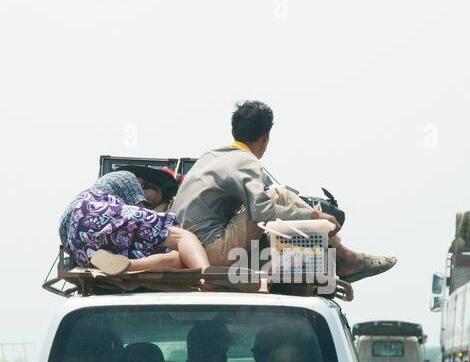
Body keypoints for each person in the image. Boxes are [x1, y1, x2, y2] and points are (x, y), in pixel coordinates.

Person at [169, 101, 396, 281]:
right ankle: (346, 258)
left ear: (234, 130)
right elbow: (262, 211)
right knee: (278, 195)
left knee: (274, 204)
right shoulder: (246, 161)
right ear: (265, 137)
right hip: (209, 253)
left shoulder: (210, 156)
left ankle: (343, 258)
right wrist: (313, 216)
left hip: (185, 251)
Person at [59, 170, 209, 275]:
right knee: (182, 236)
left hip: (82, 246)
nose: (148, 207)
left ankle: (125, 265)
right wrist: (165, 208)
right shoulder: (128, 178)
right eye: (148, 201)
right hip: (90, 211)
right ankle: (206, 278)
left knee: (178, 259)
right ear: (141, 182)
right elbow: (140, 213)